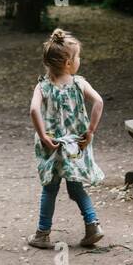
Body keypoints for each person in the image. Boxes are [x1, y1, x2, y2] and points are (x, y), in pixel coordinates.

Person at [28, 28, 105, 248]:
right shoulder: (80, 83)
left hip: (52, 145)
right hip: (73, 146)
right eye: (78, 57)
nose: (80, 60)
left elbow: (34, 110)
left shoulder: (42, 86)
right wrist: (89, 131)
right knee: (76, 187)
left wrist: (43, 135)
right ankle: (93, 225)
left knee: (50, 190)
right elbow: (98, 102)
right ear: (69, 63)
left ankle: (42, 235)